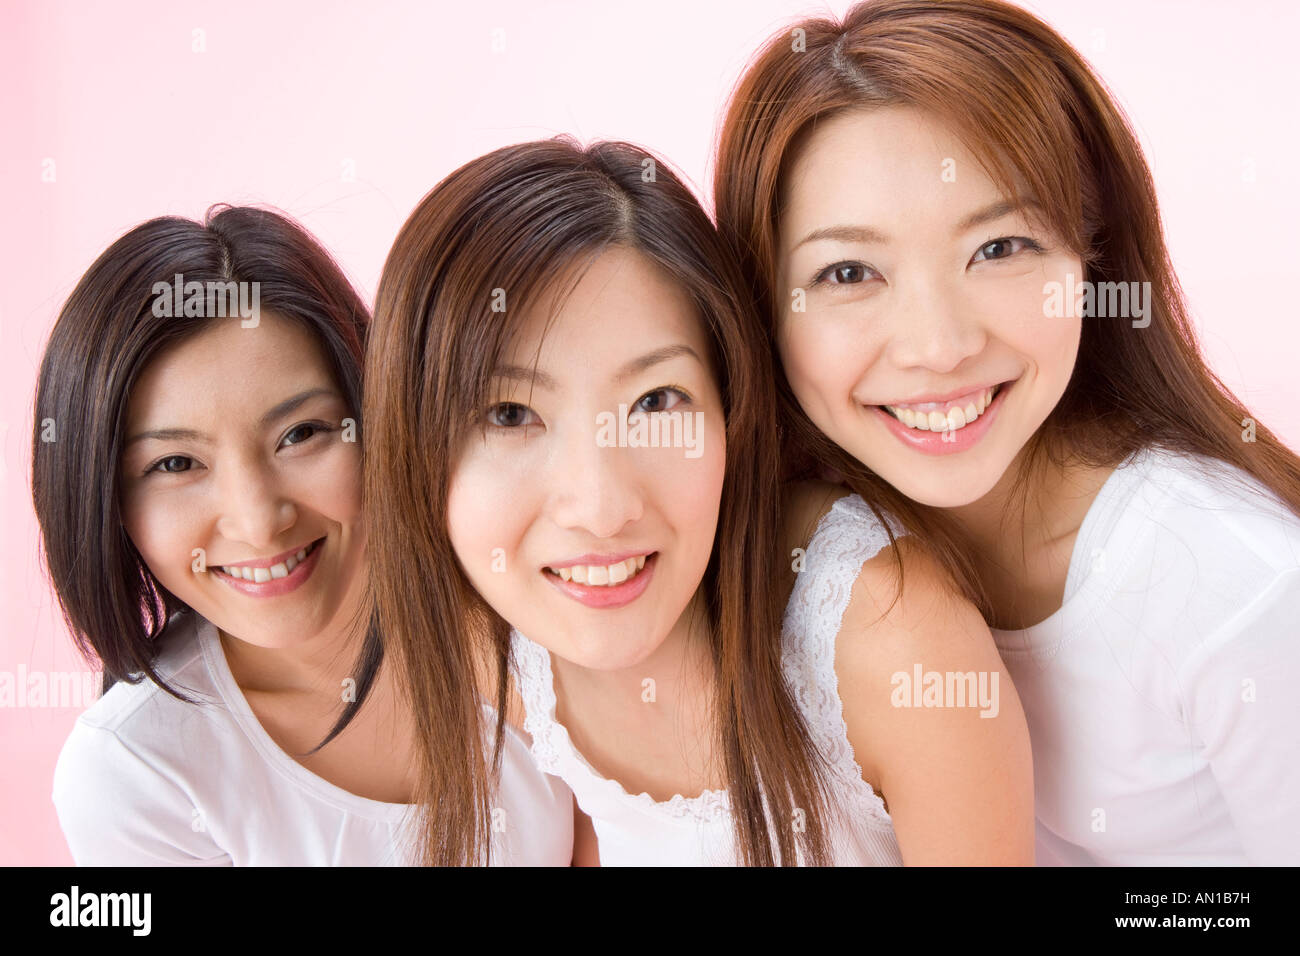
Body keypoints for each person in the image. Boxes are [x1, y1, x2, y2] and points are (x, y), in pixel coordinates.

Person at [714, 0, 1300, 864]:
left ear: (1093, 257)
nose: (938, 346)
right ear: (761, 304)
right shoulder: (805, 548)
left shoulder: (1233, 585)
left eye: (999, 249)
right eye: (849, 271)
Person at [363, 137, 1033, 865]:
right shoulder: (489, 641)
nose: (601, 509)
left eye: (656, 401)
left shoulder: (890, 642)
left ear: (731, 411)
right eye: (510, 415)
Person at [35, 205, 574, 865]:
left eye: (300, 434)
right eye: (175, 464)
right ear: (106, 501)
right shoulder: (138, 773)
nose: (258, 520)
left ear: (375, 414)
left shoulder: (540, 613)